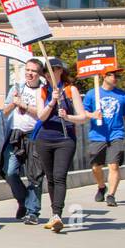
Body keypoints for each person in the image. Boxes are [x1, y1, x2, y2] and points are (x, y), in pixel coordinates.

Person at [33, 59, 88, 233]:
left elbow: (83, 117)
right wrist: (52, 102)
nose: (49, 73)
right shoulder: (42, 91)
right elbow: (41, 117)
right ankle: (53, 213)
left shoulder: (70, 90)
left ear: (60, 71)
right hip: (45, 138)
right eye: (46, 71)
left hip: (65, 139)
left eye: (54, 69)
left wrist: (67, 117)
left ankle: (57, 214)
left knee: (59, 176)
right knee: (50, 177)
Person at [1, 58, 45, 224]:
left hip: (35, 135)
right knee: (10, 172)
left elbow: (42, 113)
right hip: (16, 135)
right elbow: (4, 111)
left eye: (33, 71)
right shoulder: (16, 88)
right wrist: (14, 102)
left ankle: (33, 211)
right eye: (27, 70)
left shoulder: (43, 90)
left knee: (36, 175)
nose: (29, 73)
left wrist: (24, 105)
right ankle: (24, 200)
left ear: (39, 74)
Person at [84, 68, 125, 208]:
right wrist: (92, 115)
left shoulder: (123, 96)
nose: (114, 78)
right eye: (111, 75)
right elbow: (83, 112)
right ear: (103, 76)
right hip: (98, 135)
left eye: (116, 75)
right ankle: (101, 187)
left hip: (116, 134)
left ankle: (111, 195)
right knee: (96, 167)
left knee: (114, 165)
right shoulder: (92, 94)